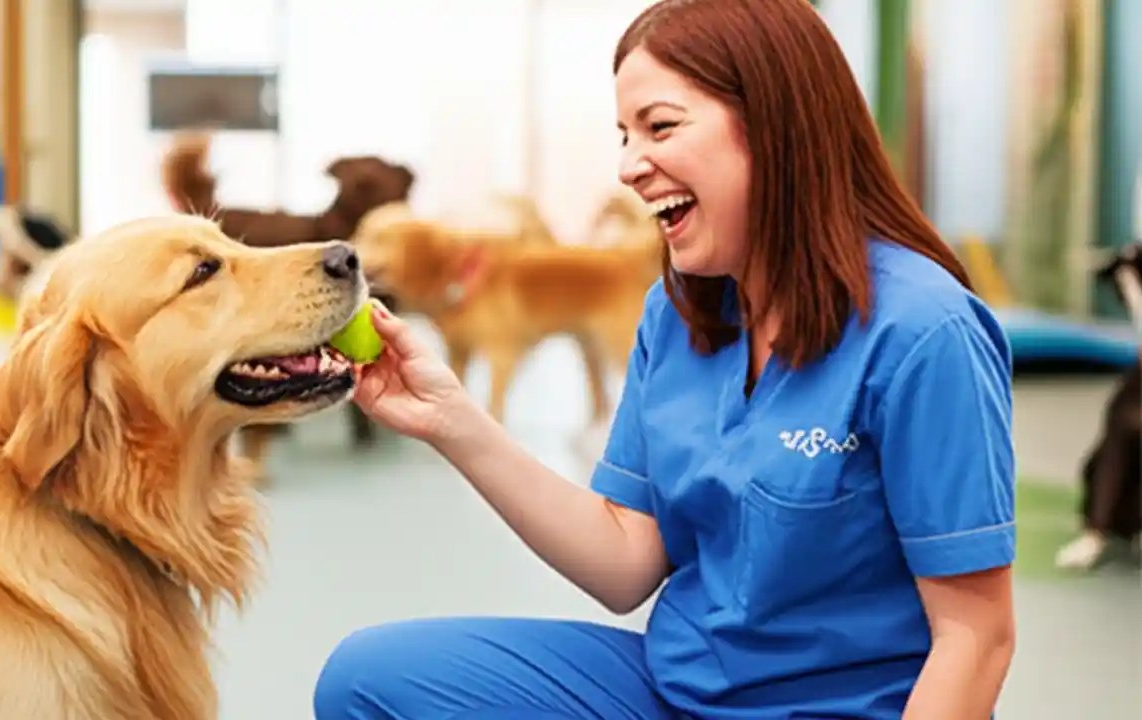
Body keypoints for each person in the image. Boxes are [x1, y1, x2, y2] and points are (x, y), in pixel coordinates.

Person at [313, 0, 1017, 717]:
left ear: (774, 123)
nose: (627, 166)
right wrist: (451, 420)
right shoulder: (680, 311)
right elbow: (625, 561)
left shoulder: (924, 333)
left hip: (835, 706)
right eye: (624, 134)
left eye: (660, 126)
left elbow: (976, 636)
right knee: (367, 680)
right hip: (678, 687)